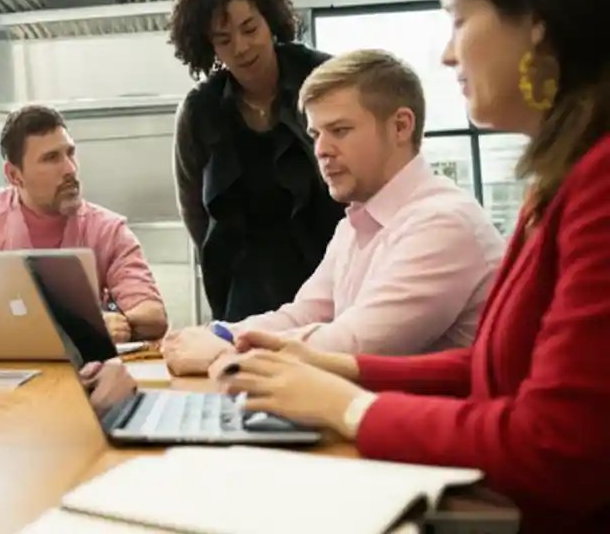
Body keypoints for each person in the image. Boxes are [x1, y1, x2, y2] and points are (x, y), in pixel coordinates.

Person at [219, 0, 610, 532]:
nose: (449, 52)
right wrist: (335, 368)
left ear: (539, 19)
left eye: (459, 20)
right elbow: (497, 368)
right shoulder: (559, 178)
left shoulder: (596, 180)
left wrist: (349, 406)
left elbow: (558, 447)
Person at [162, 50, 504, 376]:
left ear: (401, 127)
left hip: (435, 430)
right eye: (315, 134)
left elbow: (354, 345)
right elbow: (304, 314)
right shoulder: (355, 225)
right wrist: (220, 333)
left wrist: (224, 350)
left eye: (340, 131)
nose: (322, 150)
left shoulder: (442, 223)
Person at [170, 0, 344, 324]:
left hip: (334, 263)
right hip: (248, 280)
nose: (242, 47)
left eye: (250, 29)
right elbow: (194, 210)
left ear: (270, 22)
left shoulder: (324, 77)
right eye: (224, 39)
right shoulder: (201, 110)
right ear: (210, 47)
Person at [0, 105, 167, 345]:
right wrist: (76, 328)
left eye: (70, 153)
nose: (70, 169)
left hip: (84, 380)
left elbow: (152, 315)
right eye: (51, 159)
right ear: (14, 175)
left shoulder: (107, 230)